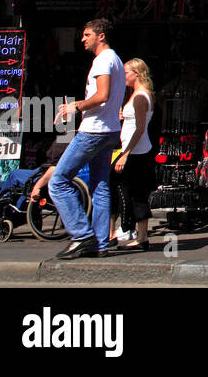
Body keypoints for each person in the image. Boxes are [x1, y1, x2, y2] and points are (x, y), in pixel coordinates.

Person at [49, 19, 125, 259]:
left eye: (87, 35)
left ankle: (82, 235)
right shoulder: (116, 60)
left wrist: (76, 106)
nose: (82, 39)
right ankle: (100, 243)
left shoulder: (102, 60)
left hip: (94, 130)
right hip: (109, 130)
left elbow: (102, 95)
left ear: (101, 36)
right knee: (100, 187)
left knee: (58, 181)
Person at [112, 58, 156, 251]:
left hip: (136, 152)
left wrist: (125, 154)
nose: (123, 76)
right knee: (128, 191)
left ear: (136, 74)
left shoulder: (140, 97)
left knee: (136, 193)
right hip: (135, 150)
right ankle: (132, 233)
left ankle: (141, 236)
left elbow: (140, 128)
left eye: (126, 72)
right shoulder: (138, 95)